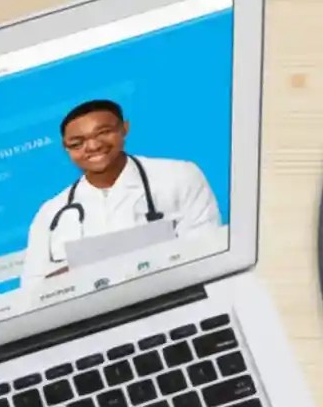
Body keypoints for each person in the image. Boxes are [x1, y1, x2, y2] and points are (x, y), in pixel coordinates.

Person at [23, 99, 222, 282]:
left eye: (103, 133)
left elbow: (206, 251)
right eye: (77, 143)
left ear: (124, 129)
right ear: (66, 148)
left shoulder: (179, 176)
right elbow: (33, 288)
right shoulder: (50, 213)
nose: (92, 146)